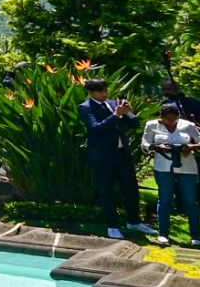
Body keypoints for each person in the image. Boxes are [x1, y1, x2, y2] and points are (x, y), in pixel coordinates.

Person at [78, 78, 156, 240]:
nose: (104, 94)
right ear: (91, 92)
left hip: (122, 154)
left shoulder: (114, 103)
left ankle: (133, 221)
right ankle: (112, 226)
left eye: (106, 90)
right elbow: (96, 128)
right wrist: (116, 115)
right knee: (108, 191)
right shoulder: (86, 107)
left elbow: (134, 124)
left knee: (131, 189)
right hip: (103, 156)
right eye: (100, 91)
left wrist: (128, 112)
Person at [141, 101, 200, 248]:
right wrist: (157, 147)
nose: (171, 122)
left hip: (187, 167)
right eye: (168, 119)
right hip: (163, 166)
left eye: (174, 119)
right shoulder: (152, 125)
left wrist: (190, 146)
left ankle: (195, 235)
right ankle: (163, 234)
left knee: (190, 201)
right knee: (165, 199)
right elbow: (145, 144)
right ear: (161, 118)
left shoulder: (188, 126)